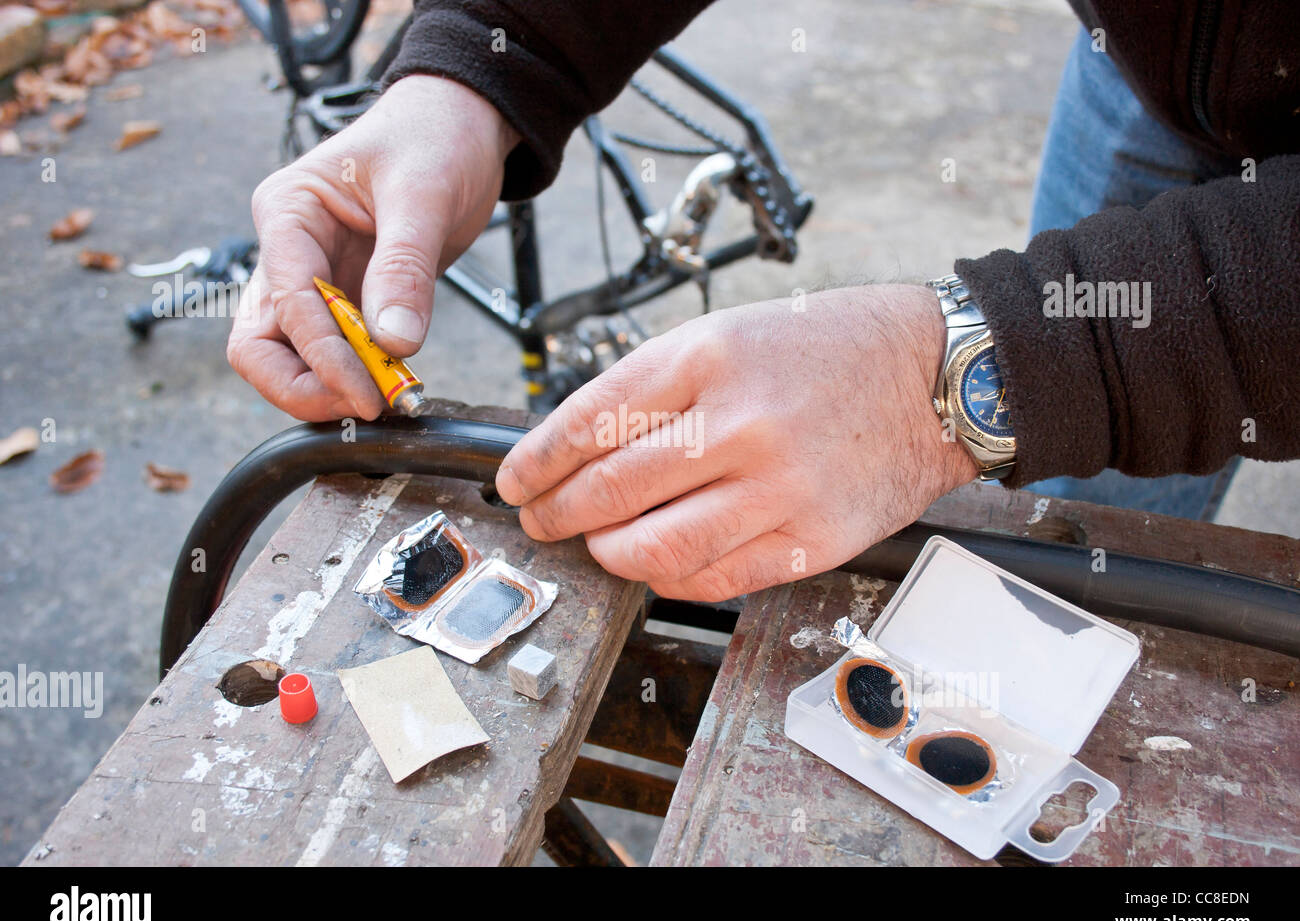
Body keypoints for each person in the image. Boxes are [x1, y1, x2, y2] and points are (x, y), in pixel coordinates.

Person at [227, 1, 1300, 603]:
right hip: (1150, 61)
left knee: (1096, 564)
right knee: (1055, 534)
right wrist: (478, 63)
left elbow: (1051, 360)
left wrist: (970, 365)